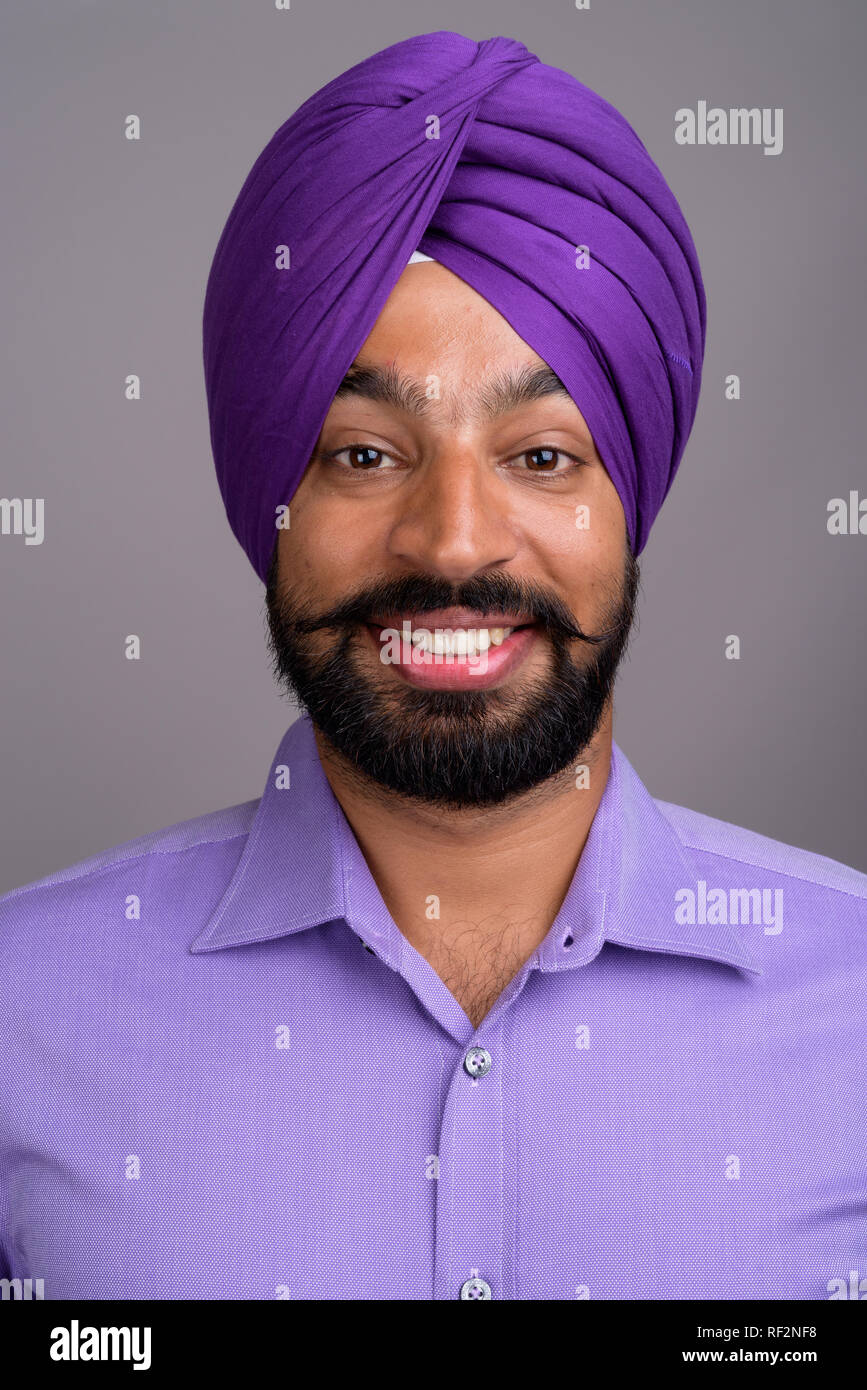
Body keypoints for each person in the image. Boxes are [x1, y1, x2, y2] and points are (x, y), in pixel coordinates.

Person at [0, 31, 864, 1302]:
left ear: (633, 503)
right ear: (268, 497)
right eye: (362, 453)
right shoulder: (23, 1013)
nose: (454, 538)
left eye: (543, 455)